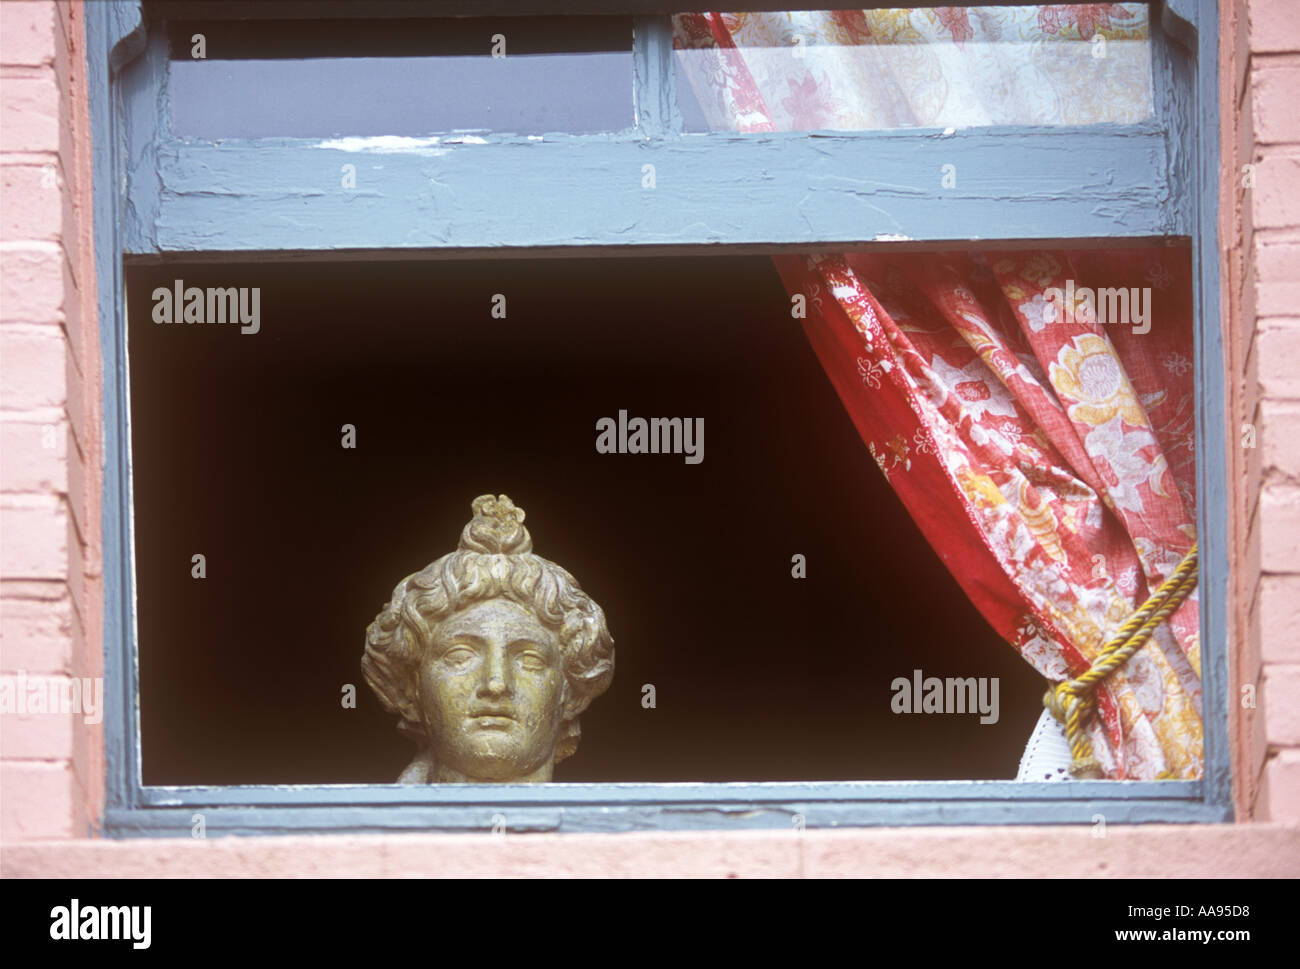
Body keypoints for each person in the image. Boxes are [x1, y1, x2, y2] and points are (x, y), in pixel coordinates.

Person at [362, 494, 615, 783]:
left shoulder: (619, 827)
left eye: (530, 660)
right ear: (411, 689)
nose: (496, 684)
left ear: (570, 693)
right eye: (460, 656)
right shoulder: (370, 828)